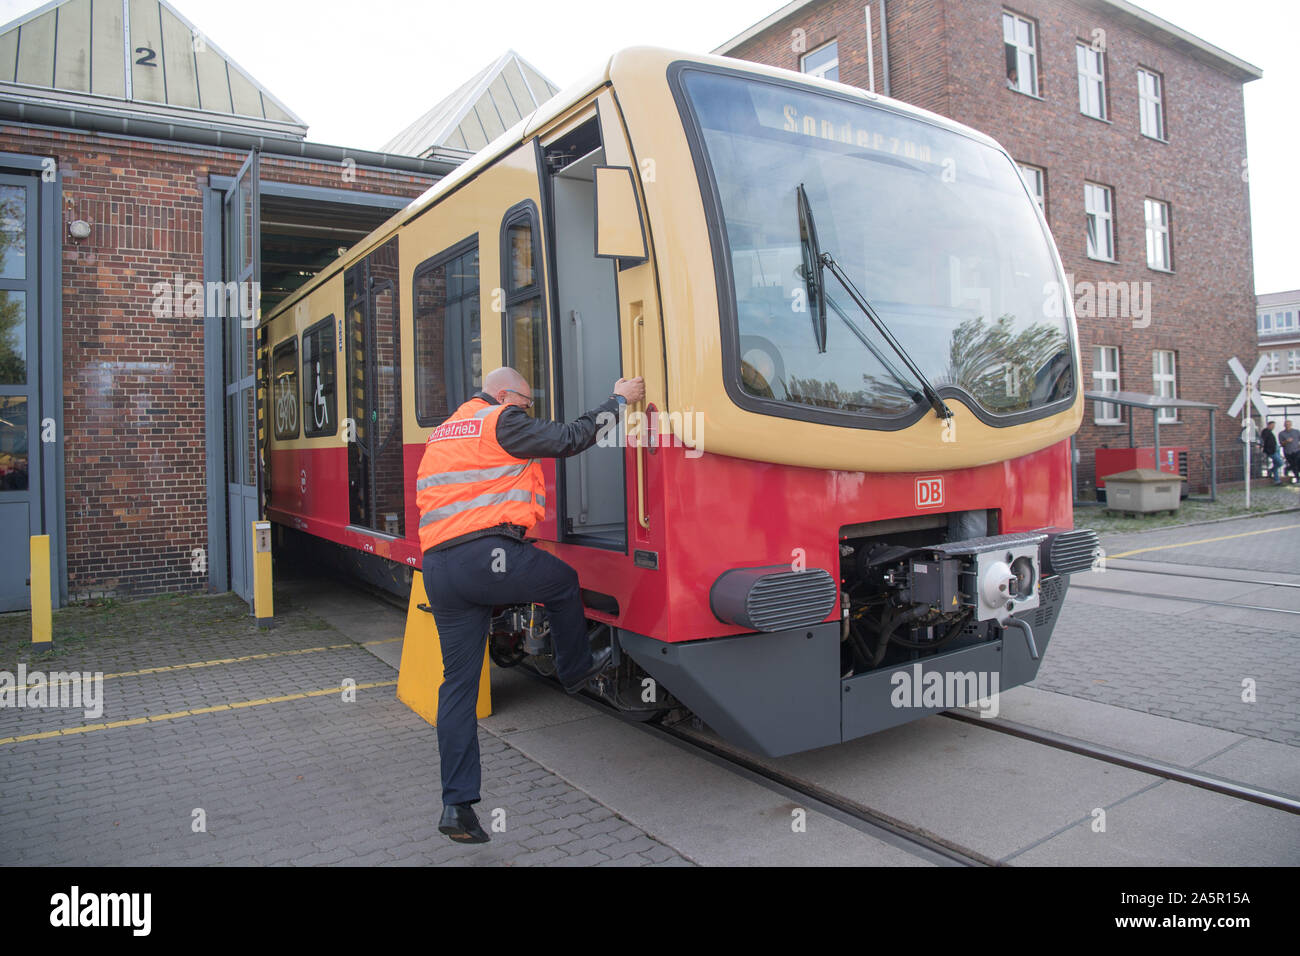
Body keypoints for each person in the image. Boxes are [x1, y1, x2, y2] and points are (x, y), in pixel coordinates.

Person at [415, 366, 646, 844]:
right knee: (561, 582)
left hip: (439, 568)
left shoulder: (443, 431)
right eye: (524, 402)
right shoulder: (500, 419)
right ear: (504, 395)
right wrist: (618, 401)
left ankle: (456, 807)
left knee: (457, 686)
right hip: (488, 556)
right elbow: (569, 438)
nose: (527, 412)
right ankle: (575, 670)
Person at [1261, 421, 1283, 485]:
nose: (1273, 427)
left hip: (1275, 449)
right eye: (1272, 425)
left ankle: (1277, 480)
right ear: (1268, 425)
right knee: (1280, 462)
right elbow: (1264, 441)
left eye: (1274, 426)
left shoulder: (1270, 432)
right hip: (1271, 450)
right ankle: (1272, 470)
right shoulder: (1265, 432)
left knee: (1276, 463)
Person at [1280, 420, 1300, 484]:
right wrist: (1286, 441)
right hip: (1288, 452)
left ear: (1291, 425)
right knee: (1293, 464)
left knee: (1296, 463)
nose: (1287, 426)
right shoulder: (1281, 433)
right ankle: (1296, 477)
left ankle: (1296, 477)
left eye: (1288, 424)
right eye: (1286, 424)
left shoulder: (1296, 432)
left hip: (1296, 450)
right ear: (1284, 425)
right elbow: (1282, 444)